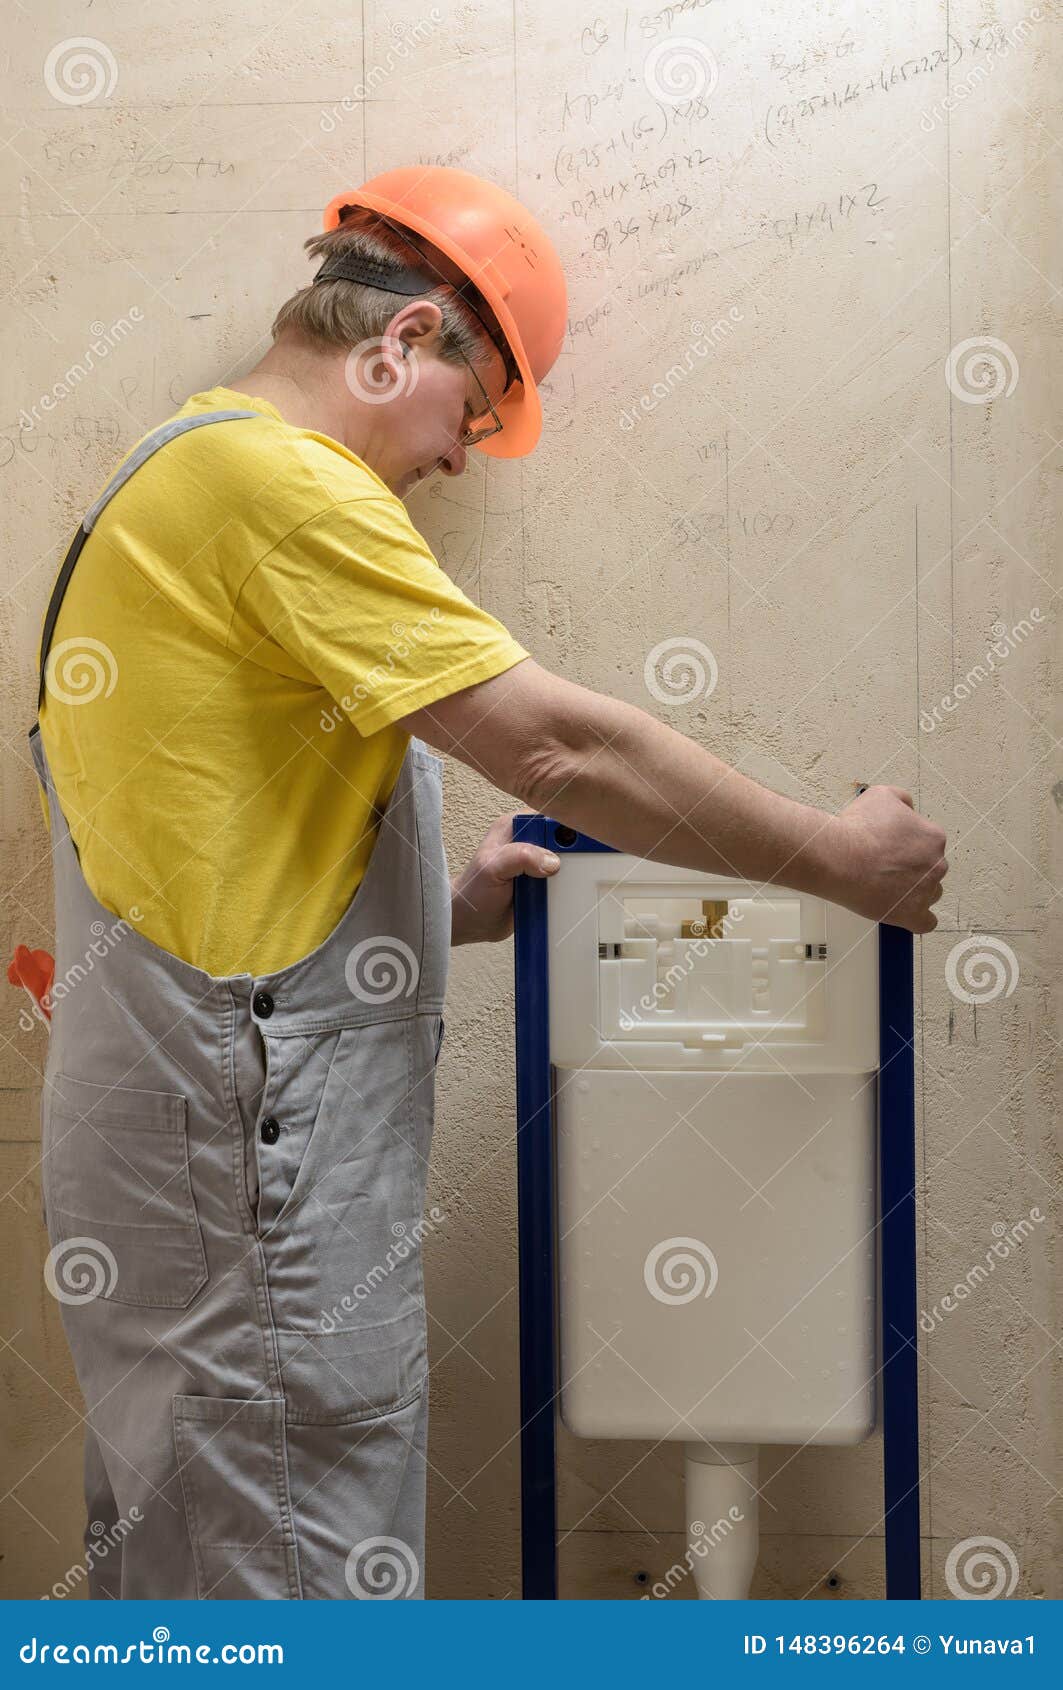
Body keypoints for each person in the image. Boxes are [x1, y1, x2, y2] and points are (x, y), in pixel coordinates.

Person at [30, 165, 946, 1601]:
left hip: (184, 1151)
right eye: (472, 413)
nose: (459, 460)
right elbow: (559, 743)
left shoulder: (169, 482)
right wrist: (841, 863)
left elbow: (196, 836)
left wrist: (430, 914)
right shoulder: (279, 486)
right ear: (398, 339)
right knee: (293, 1578)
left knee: (194, 1571)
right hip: (248, 1169)